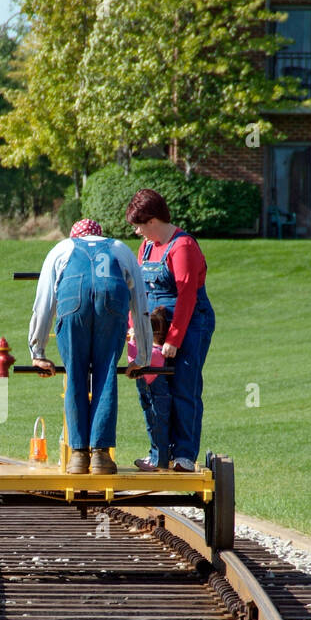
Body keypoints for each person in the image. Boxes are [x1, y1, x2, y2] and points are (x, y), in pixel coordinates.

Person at [29, 218, 153, 475]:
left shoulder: (62, 249)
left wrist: (38, 352)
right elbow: (140, 302)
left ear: (76, 235)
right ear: (100, 235)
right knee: (106, 374)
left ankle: (77, 455)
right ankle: (101, 456)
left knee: (76, 374)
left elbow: (44, 302)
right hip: (112, 303)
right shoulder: (119, 249)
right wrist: (142, 355)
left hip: (73, 305)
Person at [125, 189, 214, 472]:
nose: (137, 231)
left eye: (139, 225)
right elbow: (138, 291)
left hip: (190, 325)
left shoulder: (183, 246)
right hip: (153, 327)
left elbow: (187, 295)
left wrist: (174, 338)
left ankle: (184, 456)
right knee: (151, 385)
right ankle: (158, 453)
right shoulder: (147, 248)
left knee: (184, 387)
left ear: (153, 220)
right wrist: (133, 328)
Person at [129, 306, 172, 471]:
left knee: (156, 423)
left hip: (156, 395)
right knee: (152, 423)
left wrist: (132, 341)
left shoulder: (154, 353)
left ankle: (158, 460)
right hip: (149, 393)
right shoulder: (154, 350)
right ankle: (155, 456)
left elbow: (134, 360)